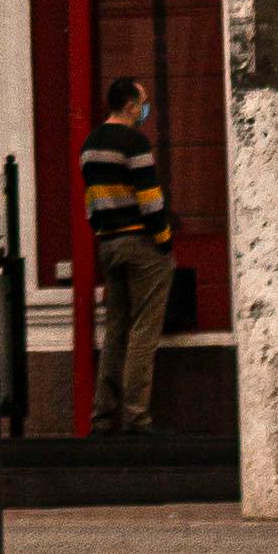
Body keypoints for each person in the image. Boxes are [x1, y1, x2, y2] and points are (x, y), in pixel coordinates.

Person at [80, 71, 178, 434]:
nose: (145, 109)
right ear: (131, 105)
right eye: (143, 103)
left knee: (116, 329)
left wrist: (105, 234)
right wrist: (165, 239)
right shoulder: (134, 143)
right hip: (141, 245)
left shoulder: (89, 146)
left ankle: (103, 416)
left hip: (109, 244)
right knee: (143, 330)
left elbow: (91, 204)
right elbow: (150, 199)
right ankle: (137, 415)